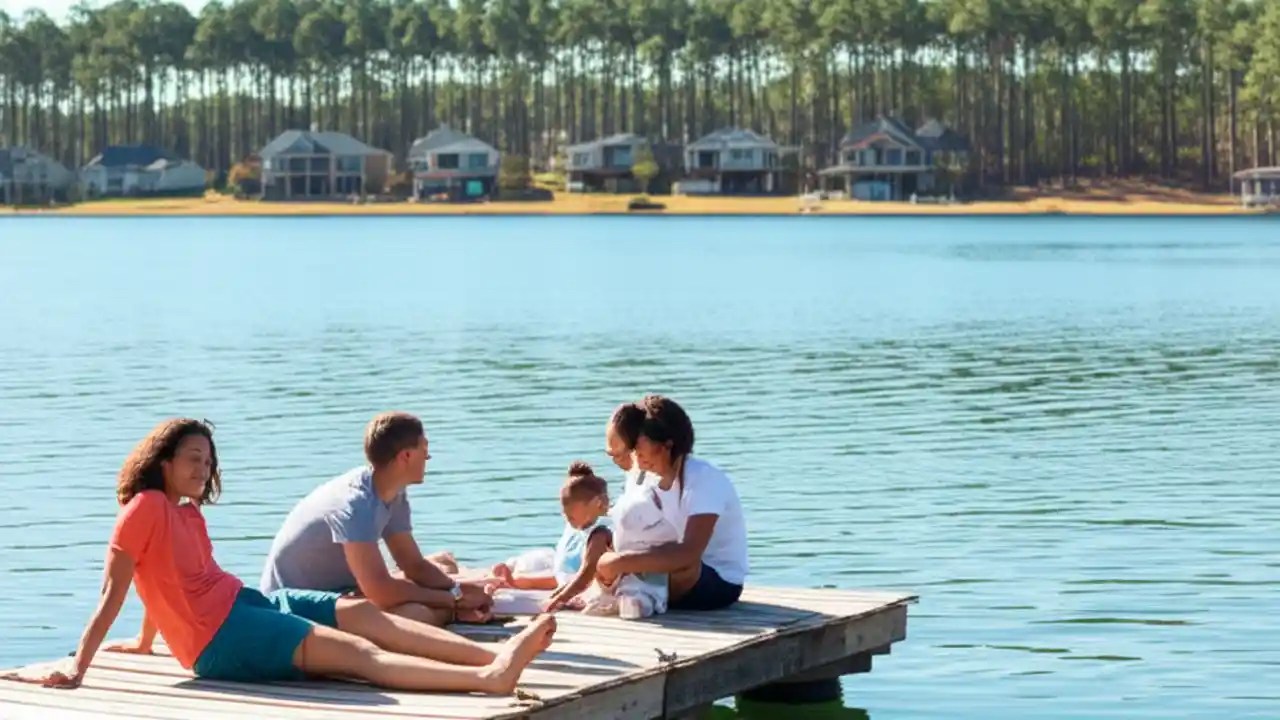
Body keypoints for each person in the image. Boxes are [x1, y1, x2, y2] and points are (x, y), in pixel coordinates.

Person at [24, 418, 555, 693]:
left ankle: (493, 658)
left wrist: (145, 643)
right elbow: (113, 591)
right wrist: (78, 665)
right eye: (191, 459)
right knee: (356, 653)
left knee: (361, 614)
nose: (202, 470)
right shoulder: (143, 507)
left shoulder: (185, 512)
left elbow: (158, 581)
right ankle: (490, 678)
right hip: (220, 639)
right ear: (161, 460)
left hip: (247, 604)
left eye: (207, 462)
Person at [259, 412, 491, 627]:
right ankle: (454, 614)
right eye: (425, 448)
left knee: (444, 563)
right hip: (296, 609)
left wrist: (458, 588)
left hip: (345, 591)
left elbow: (414, 565)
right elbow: (380, 592)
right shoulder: (357, 505)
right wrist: (453, 599)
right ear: (406, 456)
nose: (428, 456)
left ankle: (454, 609)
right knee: (416, 615)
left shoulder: (391, 491)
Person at [597, 394, 749, 611]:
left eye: (641, 448)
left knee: (683, 566)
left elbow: (688, 553)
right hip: (662, 567)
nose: (637, 457)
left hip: (715, 580)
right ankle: (638, 594)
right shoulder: (641, 476)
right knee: (601, 544)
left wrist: (621, 563)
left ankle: (641, 594)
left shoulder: (703, 479)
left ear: (667, 444)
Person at [491, 462, 614, 614]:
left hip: (589, 591)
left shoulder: (600, 533)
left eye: (571, 516)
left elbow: (585, 575)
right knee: (510, 590)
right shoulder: (582, 528)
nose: (567, 519)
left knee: (505, 604)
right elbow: (565, 576)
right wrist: (519, 583)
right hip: (571, 587)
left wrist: (559, 598)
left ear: (596, 504)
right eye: (565, 514)